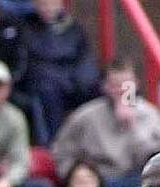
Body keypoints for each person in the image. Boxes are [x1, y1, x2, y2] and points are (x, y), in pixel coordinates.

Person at [49, 57, 160, 187]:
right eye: (116, 85)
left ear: (136, 84)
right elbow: (61, 149)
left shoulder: (151, 115)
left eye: (127, 85)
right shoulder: (85, 116)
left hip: (138, 179)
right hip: (101, 180)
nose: (121, 91)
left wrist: (133, 127)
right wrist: (74, 178)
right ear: (105, 86)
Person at [17, 0, 99, 144]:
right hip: (44, 83)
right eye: (42, 4)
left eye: (51, 3)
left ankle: (95, 141)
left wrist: (82, 81)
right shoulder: (25, 27)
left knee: (103, 88)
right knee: (48, 89)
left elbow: (85, 60)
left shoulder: (73, 28)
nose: (47, 8)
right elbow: (29, 63)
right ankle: (56, 145)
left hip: (72, 80)